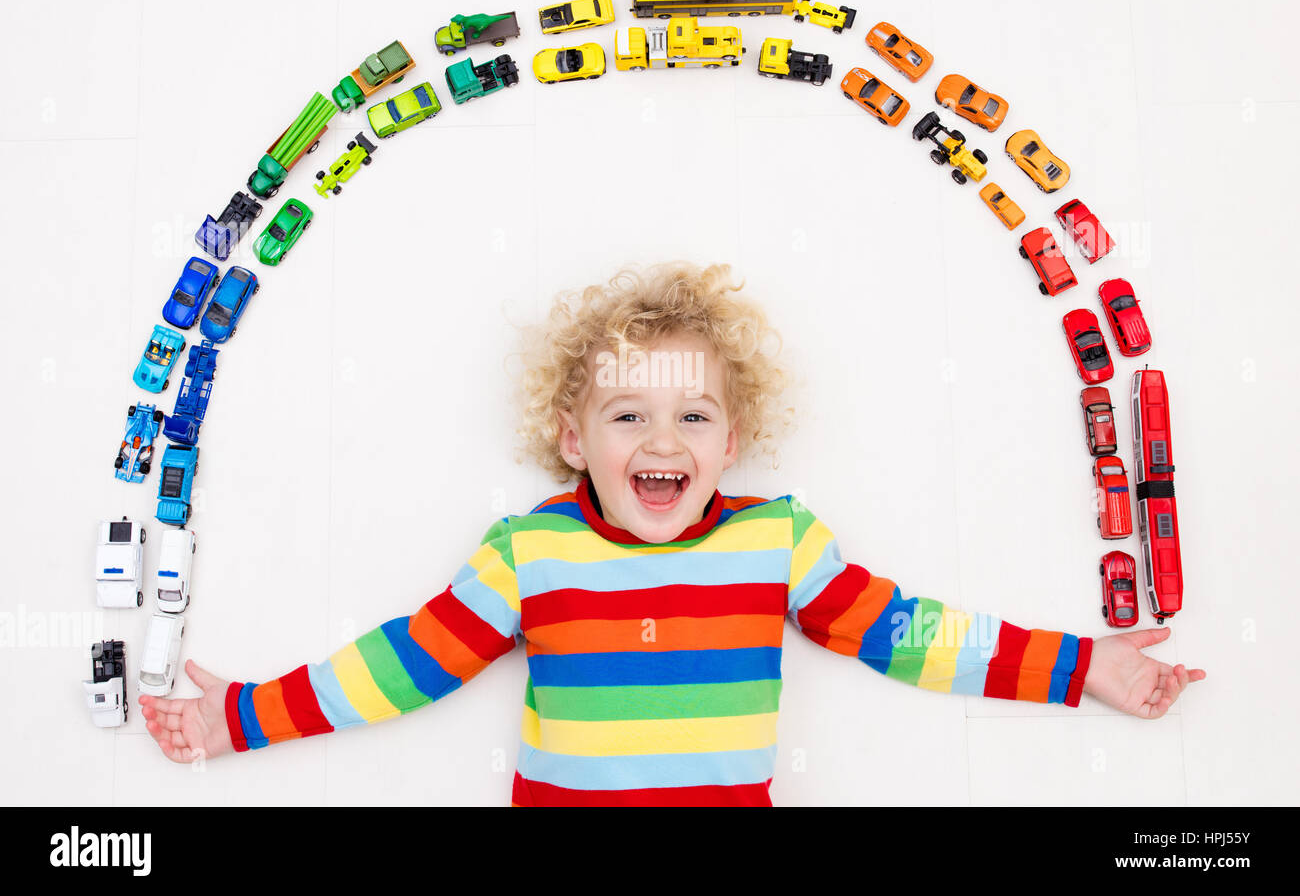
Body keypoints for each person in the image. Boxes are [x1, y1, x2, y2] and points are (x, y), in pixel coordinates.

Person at [140, 261, 1205, 805]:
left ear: (732, 438)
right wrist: (239, 719)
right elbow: (402, 664)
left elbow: (912, 632)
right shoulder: (529, 552)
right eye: (627, 414)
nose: (663, 436)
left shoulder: (779, 544)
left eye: (692, 414)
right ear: (573, 437)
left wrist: (1082, 667)